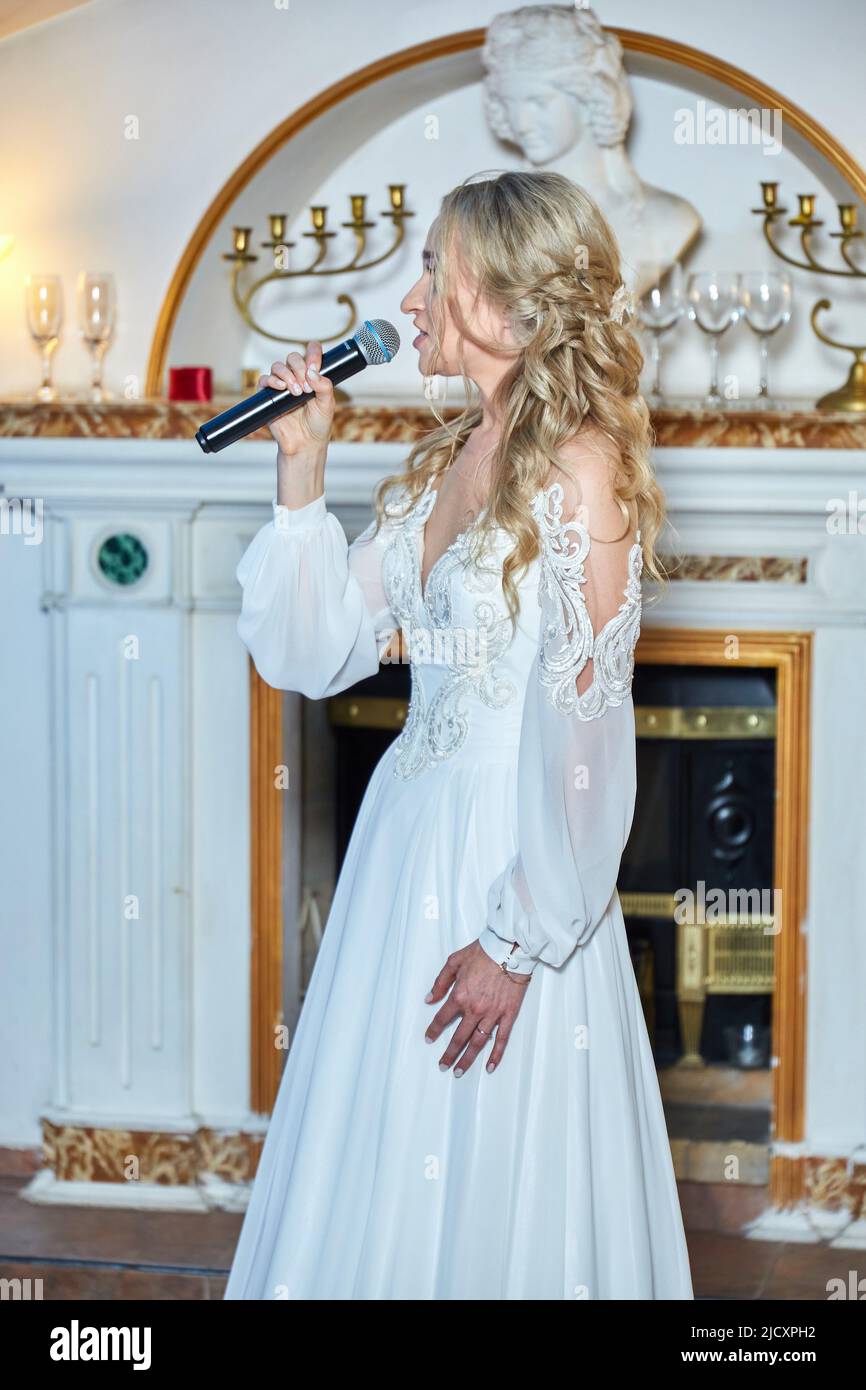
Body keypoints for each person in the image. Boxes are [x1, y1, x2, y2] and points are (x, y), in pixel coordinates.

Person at [224, 170, 693, 1301]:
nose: (413, 294)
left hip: (510, 864)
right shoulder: (441, 464)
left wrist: (518, 940)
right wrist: (302, 474)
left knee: (494, 1154)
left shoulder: (582, 471)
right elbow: (309, 651)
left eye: (435, 265)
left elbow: (586, 741)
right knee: (379, 1145)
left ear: (505, 295)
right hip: (403, 845)